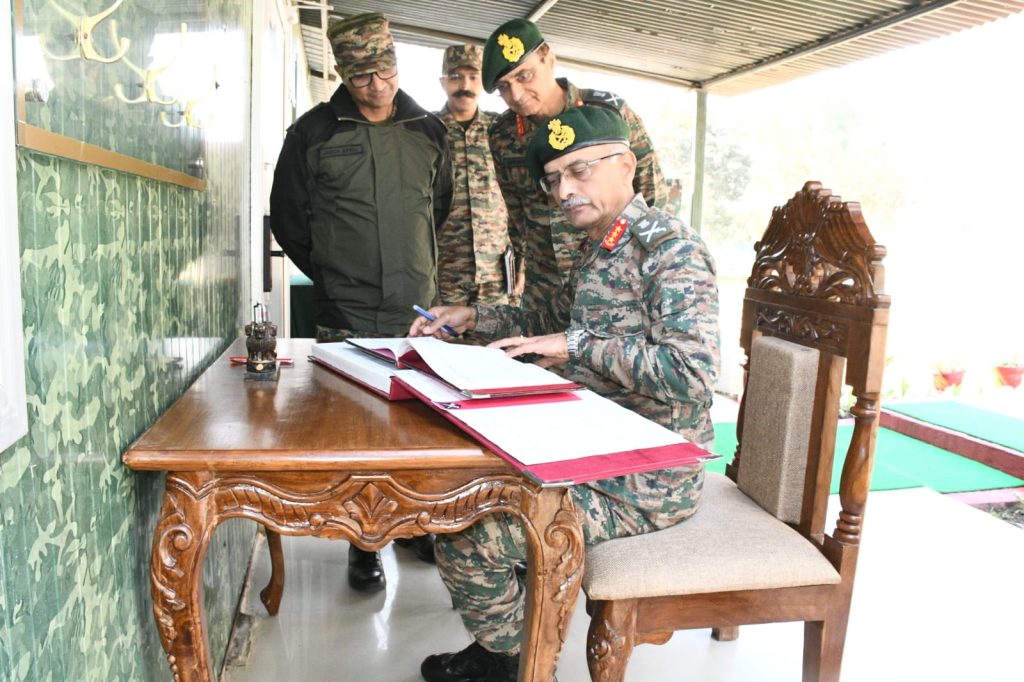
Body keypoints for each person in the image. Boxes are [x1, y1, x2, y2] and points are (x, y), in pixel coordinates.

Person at [410, 106, 719, 682]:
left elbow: (693, 372)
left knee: (468, 533)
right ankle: (510, 645)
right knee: (461, 491)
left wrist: (578, 346)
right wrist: (472, 316)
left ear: (625, 165)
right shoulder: (596, 247)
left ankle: (512, 661)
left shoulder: (670, 249)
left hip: (646, 475)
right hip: (585, 444)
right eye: (554, 180)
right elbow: (548, 321)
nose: (564, 191)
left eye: (579, 171)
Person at [269, 12, 451, 594]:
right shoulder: (312, 133)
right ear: (343, 75)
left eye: (385, 70)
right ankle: (364, 542)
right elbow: (289, 220)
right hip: (346, 312)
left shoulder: (428, 129)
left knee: (417, 427)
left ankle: (415, 525)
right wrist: (333, 273)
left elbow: (437, 209)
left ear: (397, 63)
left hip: (414, 312)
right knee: (356, 432)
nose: (377, 85)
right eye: (362, 76)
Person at [482, 18, 668, 310]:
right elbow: (516, 214)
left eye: (524, 76)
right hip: (545, 287)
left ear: (549, 59)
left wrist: (648, 269)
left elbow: (652, 196)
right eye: (503, 86)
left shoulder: (609, 112)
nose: (516, 94)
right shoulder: (502, 134)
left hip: (611, 276)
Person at [435, 45, 515, 306]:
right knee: (442, 333)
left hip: (496, 270)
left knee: (497, 333)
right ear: (442, 82)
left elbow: (518, 196)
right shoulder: (427, 130)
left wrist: (522, 261)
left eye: (473, 77)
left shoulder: (501, 129)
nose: (465, 85)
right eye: (455, 77)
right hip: (445, 269)